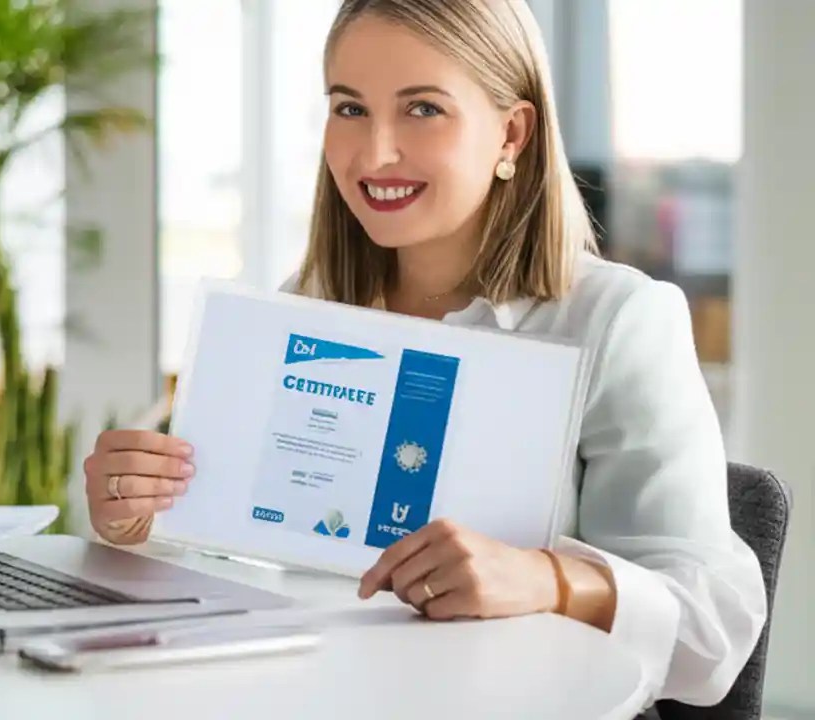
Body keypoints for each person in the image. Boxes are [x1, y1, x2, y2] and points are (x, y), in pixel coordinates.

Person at [81, 0, 766, 711]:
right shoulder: (311, 305)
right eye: (349, 109)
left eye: (423, 110)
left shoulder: (616, 319)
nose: (374, 153)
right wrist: (146, 522)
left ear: (511, 132)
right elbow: (257, 553)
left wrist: (547, 579)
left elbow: (714, 634)